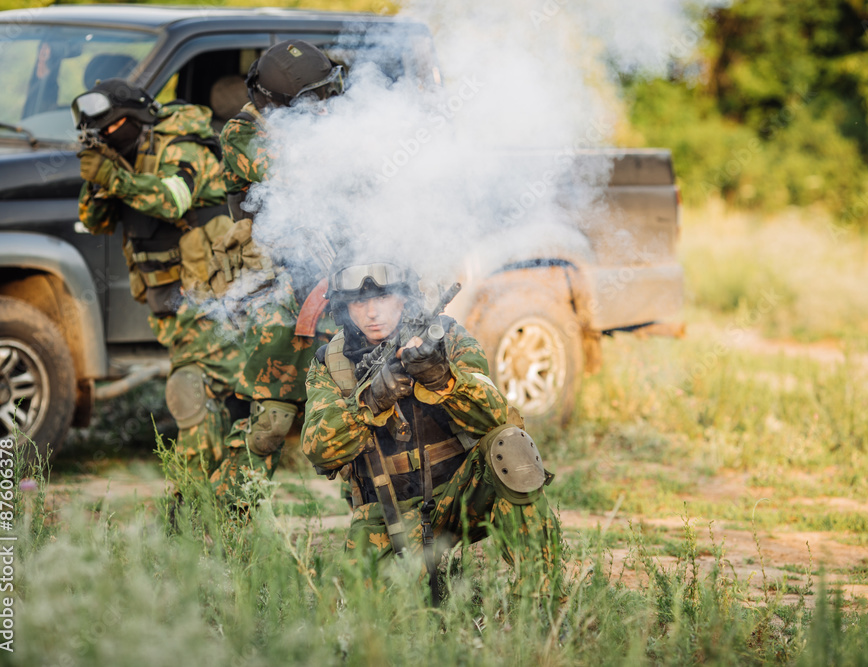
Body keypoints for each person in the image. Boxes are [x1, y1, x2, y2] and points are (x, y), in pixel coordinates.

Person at [300, 255, 561, 595]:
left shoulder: (446, 335)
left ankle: (542, 601)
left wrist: (443, 379)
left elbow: (498, 416)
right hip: (390, 507)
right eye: (360, 302)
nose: (373, 312)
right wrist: (371, 401)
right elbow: (318, 451)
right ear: (344, 308)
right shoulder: (331, 363)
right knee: (382, 620)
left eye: (383, 297)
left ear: (404, 296)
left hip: (465, 490)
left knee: (509, 445)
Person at [72, 78, 248, 483]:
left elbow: (173, 200)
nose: (108, 138)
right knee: (210, 393)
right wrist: (98, 181)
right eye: (100, 134)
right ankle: (226, 489)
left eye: (113, 128)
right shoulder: (121, 158)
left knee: (191, 389)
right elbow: (94, 222)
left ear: (136, 119)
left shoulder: (181, 146)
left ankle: (193, 497)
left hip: (206, 293)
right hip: (167, 297)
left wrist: (115, 179)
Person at [209, 40, 345, 505]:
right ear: (281, 103)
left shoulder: (321, 132)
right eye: (315, 101)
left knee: (366, 411)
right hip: (282, 296)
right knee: (270, 424)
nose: (327, 111)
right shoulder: (242, 134)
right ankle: (226, 525)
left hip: (338, 288)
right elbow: (293, 176)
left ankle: (383, 533)